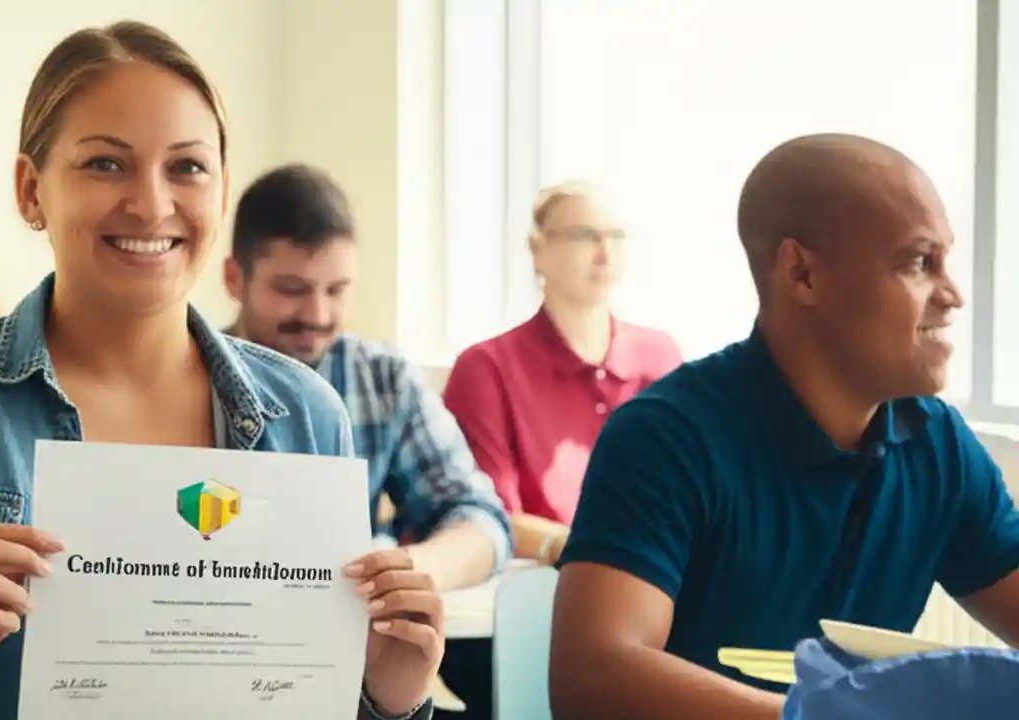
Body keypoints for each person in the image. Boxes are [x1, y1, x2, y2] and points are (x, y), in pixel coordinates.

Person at [0, 21, 442, 720]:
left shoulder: (308, 414)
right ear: (31, 190)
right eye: (105, 164)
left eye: (188, 167)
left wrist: (385, 695)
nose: (151, 203)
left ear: (222, 190)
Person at [549, 133, 1019, 719]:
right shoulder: (666, 437)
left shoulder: (939, 444)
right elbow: (592, 677)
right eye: (919, 262)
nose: (953, 295)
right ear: (802, 275)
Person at [222, 163, 512, 593]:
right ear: (234, 279)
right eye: (291, 289)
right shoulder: (184, 376)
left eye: (337, 290)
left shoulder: (382, 379)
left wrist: (408, 571)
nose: (317, 316)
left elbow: (480, 517)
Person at [442, 181, 681, 565]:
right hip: (539, 587)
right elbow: (484, 516)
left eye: (616, 237)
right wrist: (589, 552)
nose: (605, 253)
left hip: (662, 581)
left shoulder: (661, 356)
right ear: (538, 250)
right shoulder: (486, 368)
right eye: (585, 236)